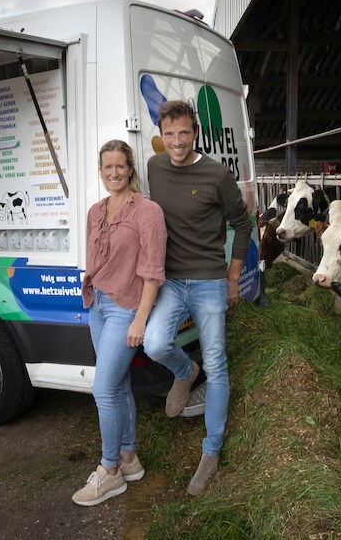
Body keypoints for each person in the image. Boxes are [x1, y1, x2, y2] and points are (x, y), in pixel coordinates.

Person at [143, 99, 253, 496]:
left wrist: (233, 275)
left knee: (218, 364)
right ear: (162, 134)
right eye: (169, 134)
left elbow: (243, 223)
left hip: (208, 280)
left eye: (184, 133)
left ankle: (211, 451)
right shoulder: (154, 167)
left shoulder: (216, 174)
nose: (176, 141)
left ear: (195, 134)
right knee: (154, 343)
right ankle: (185, 373)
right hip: (170, 280)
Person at [72, 140, 166, 507]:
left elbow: (153, 271)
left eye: (120, 166)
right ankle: (129, 458)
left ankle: (109, 471)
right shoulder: (95, 211)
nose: (114, 173)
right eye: (107, 167)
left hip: (126, 307)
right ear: (100, 170)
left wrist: (141, 317)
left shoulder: (148, 211)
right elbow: (95, 260)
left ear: (130, 169)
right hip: (98, 304)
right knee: (120, 384)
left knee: (103, 391)